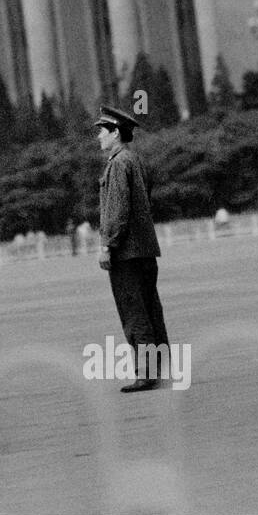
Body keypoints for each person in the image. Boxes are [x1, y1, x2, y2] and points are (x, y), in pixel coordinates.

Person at [95, 106, 169, 393]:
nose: (99, 138)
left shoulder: (117, 164)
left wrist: (106, 245)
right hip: (146, 248)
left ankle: (146, 373)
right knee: (151, 307)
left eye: (102, 132)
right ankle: (160, 365)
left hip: (126, 252)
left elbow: (117, 209)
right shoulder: (136, 161)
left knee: (133, 310)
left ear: (115, 133)